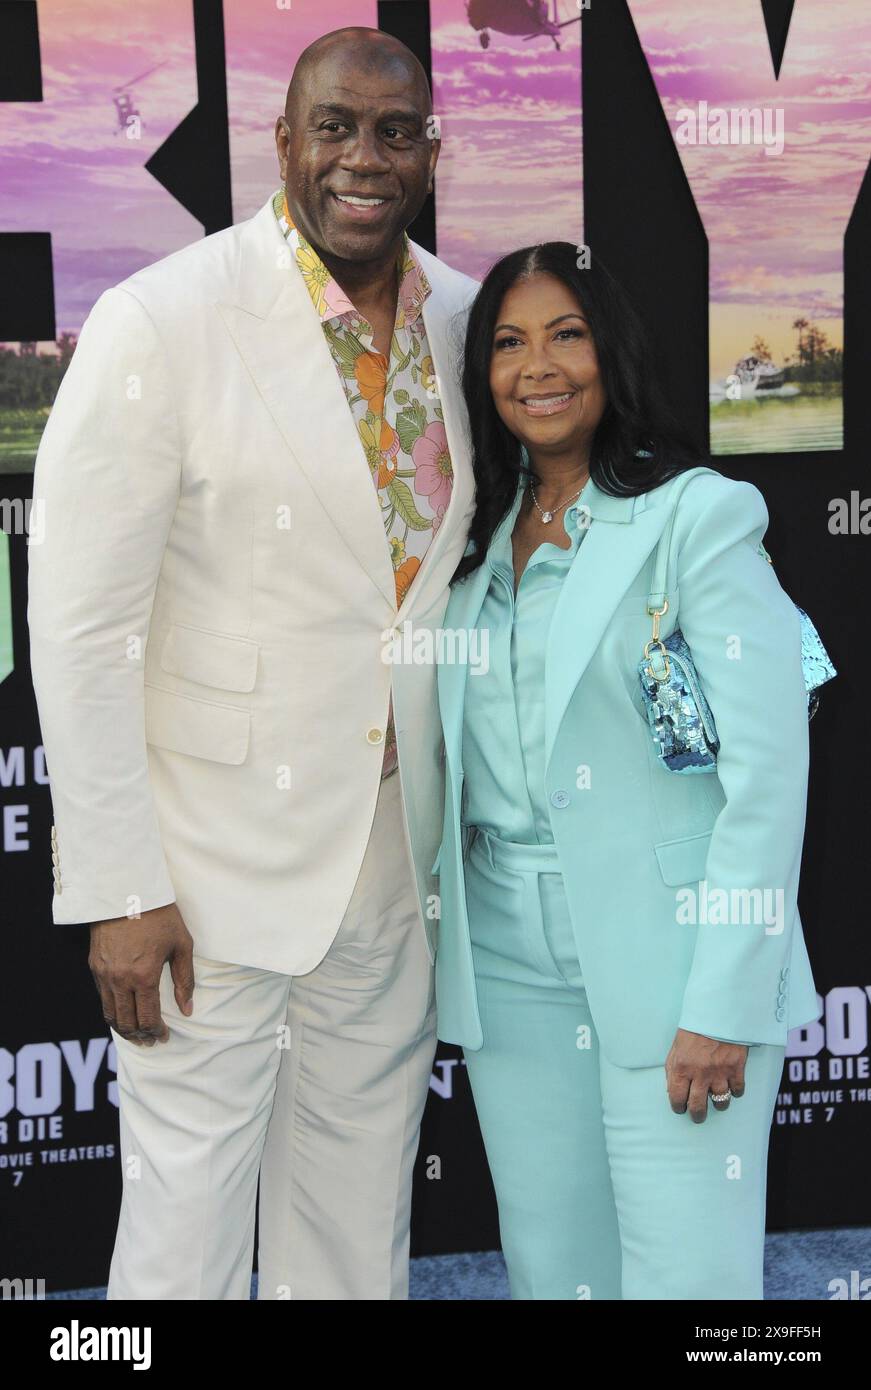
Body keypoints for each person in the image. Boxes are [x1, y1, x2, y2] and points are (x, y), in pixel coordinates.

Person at [27, 27, 478, 1300]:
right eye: (335, 125)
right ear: (283, 141)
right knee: (183, 1240)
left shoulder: (464, 318)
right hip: (205, 875)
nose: (364, 158)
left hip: (392, 863)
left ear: (430, 152)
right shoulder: (162, 319)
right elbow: (79, 621)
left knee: (352, 1224)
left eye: (396, 133)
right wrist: (120, 883)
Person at [431, 241, 821, 1300]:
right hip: (509, 964)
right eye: (507, 342)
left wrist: (725, 1000)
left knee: (688, 1282)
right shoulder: (466, 546)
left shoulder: (697, 516)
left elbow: (767, 772)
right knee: (558, 1274)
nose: (537, 365)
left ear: (609, 349)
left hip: (675, 956)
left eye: (565, 333)